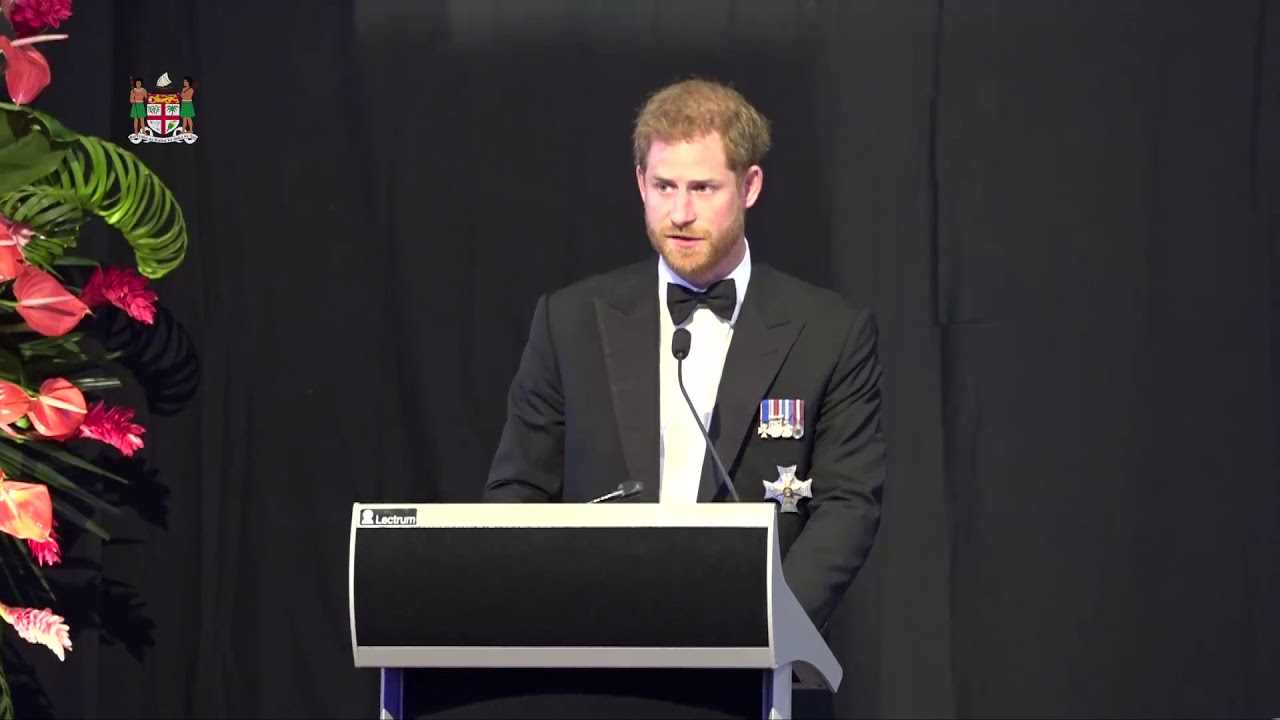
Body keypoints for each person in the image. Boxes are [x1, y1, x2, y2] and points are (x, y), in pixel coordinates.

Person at [483, 77, 886, 630]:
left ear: (749, 187)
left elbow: (847, 506)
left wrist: (765, 626)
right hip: (598, 657)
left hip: (758, 662)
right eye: (664, 186)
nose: (679, 213)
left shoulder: (831, 331)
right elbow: (518, 493)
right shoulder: (569, 320)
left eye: (702, 188)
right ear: (640, 185)